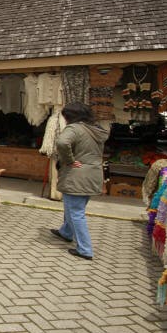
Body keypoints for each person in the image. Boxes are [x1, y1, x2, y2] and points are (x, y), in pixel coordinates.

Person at [49, 101, 109, 260]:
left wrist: (68, 160)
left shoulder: (75, 128)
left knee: (76, 212)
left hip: (78, 175)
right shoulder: (95, 129)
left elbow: (62, 142)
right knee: (74, 207)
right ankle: (65, 232)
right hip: (93, 174)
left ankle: (85, 249)